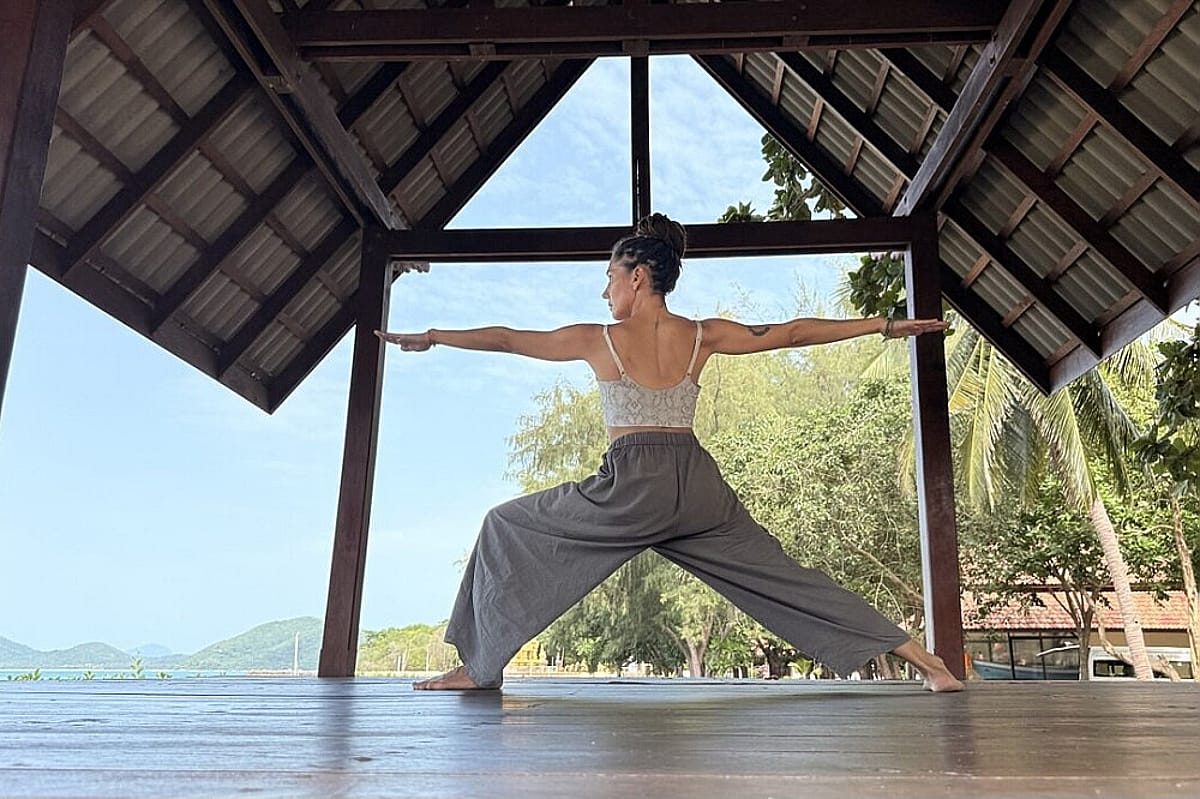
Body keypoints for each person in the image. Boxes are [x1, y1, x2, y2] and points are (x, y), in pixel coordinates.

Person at [376, 213, 964, 693]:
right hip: (696, 487)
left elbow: (507, 339)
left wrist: (432, 336)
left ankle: (480, 668)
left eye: (609, 276)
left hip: (631, 487)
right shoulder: (703, 334)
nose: (604, 289)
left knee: (504, 526)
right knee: (787, 580)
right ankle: (928, 663)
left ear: (637, 276)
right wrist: (885, 325)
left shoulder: (599, 339)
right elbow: (790, 332)